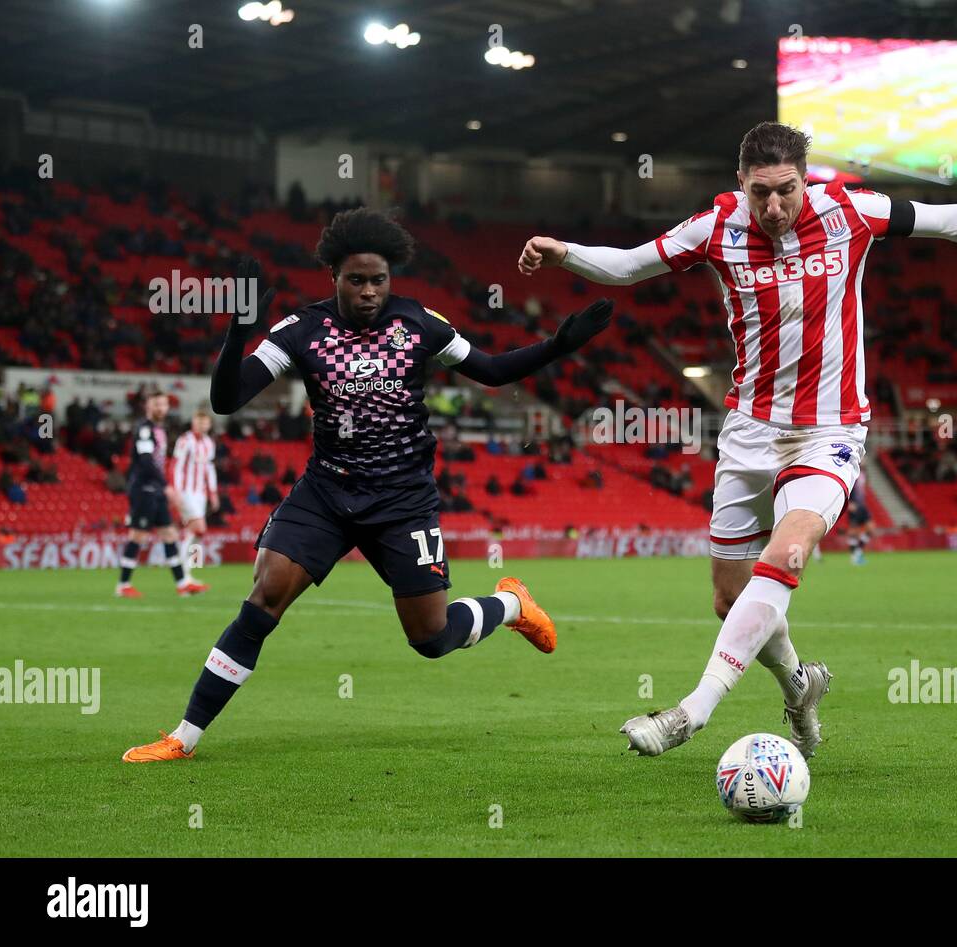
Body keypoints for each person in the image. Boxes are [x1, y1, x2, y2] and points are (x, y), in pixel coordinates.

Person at [519, 120, 957, 758]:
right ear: (741, 183)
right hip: (750, 432)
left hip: (829, 430)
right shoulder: (716, 226)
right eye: (761, 193)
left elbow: (955, 221)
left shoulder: (850, 212)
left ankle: (691, 712)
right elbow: (630, 265)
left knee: (786, 557)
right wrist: (563, 250)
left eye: (787, 190)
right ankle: (800, 686)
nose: (775, 207)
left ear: (805, 178)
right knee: (731, 601)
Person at [122, 208, 613, 762]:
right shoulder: (300, 330)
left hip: (403, 500)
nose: (369, 291)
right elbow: (226, 399)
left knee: (430, 638)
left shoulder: (420, 323)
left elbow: (492, 370)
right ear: (333, 274)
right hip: (327, 492)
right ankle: (183, 737)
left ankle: (510, 605)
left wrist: (558, 344)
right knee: (263, 597)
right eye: (356, 280)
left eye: (378, 279)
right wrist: (238, 330)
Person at [115, 391, 207, 598]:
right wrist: (166, 485)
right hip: (144, 489)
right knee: (137, 535)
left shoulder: (158, 429)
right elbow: (146, 461)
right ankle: (123, 585)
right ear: (148, 406)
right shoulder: (145, 429)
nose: (161, 408)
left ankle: (183, 583)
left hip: (155, 490)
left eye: (164, 405)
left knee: (170, 534)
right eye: (157, 404)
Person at [171, 407, 219, 588]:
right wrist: (175, 490)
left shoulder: (209, 443)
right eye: (199, 422)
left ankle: (188, 574)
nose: (202, 425)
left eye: (205, 422)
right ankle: (183, 574)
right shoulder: (185, 441)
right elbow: (175, 465)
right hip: (185, 491)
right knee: (198, 528)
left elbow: (209, 469)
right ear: (193, 423)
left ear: (209, 425)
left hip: (200, 494)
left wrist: (213, 493)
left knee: (198, 531)